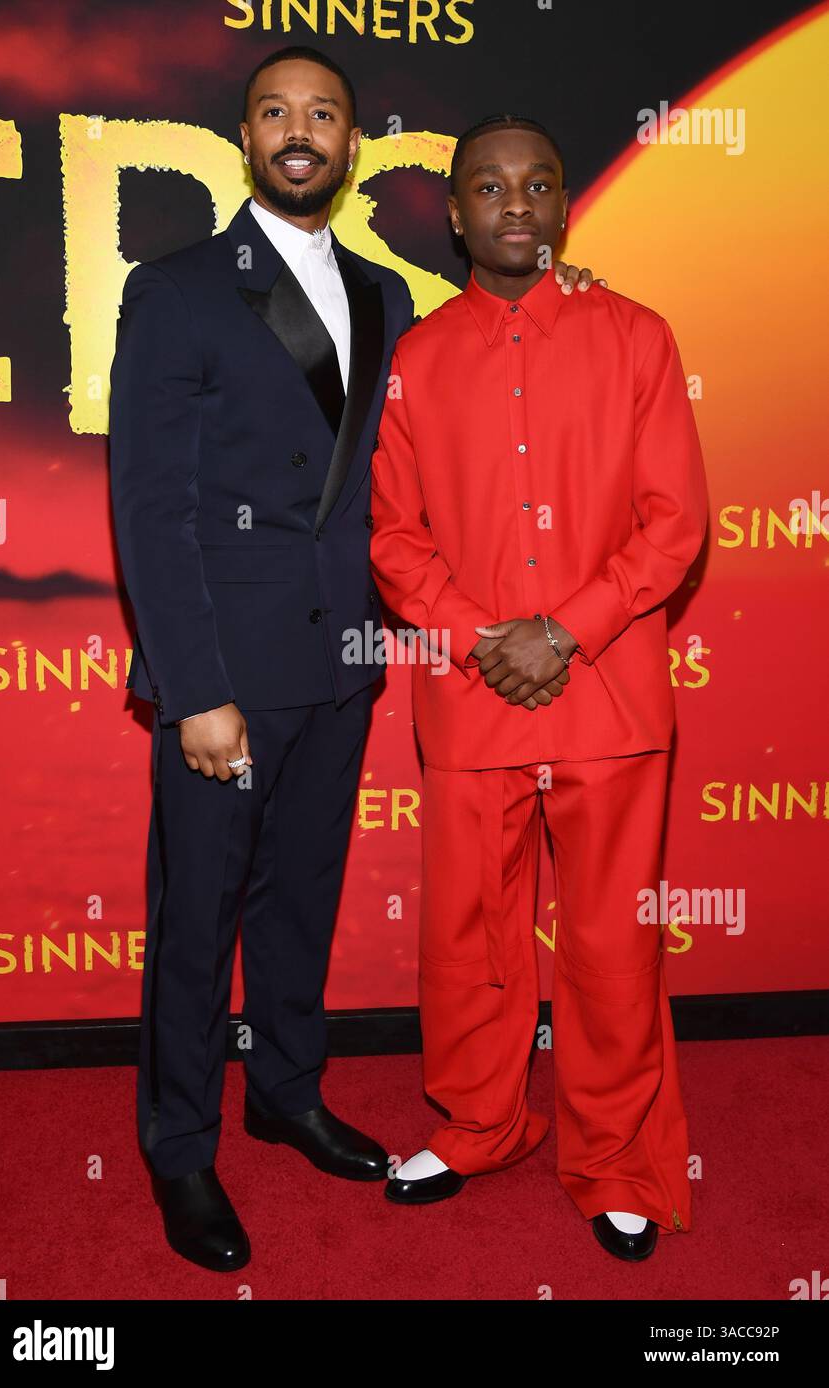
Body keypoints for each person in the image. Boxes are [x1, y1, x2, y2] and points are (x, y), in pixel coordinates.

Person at [110, 51, 602, 1273]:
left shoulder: (390, 297)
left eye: (322, 115)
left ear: (349, 143)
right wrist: (192, 689)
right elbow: (151, 509)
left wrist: (565, 281)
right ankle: (180, 1145)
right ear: (242, 136)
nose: (299, 133)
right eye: (276, 112)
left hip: (343, 659)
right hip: (226, 671)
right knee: (194, 922)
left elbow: (481, 381)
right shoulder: (174, 290)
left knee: (301, 901)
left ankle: (283, 1091)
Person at [369, 114, 708, 1262]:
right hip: (470, 701)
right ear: (455, 210)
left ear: (564, 207)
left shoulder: (637, 338)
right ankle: (475, 1125)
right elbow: (395, 537)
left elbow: (674, 527)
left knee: (610, 941)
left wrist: (562, 631)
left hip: (607, 697)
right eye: (486, 186)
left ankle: (614, 1156)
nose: (513, 204)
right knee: (467, 936)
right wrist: (481, 640)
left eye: (536, 185)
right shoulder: (413, 358)